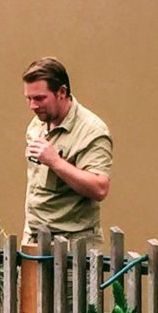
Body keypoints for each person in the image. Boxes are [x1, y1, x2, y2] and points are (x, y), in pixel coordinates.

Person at [22, 57, 113, 247]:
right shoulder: (37, 123)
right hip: (34, 238)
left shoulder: (92, 130)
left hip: (74, 244)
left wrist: (56, 162)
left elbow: (100, 188)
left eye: (39, 98)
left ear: (62, 92)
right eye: (29, 99)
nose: (33, 106)